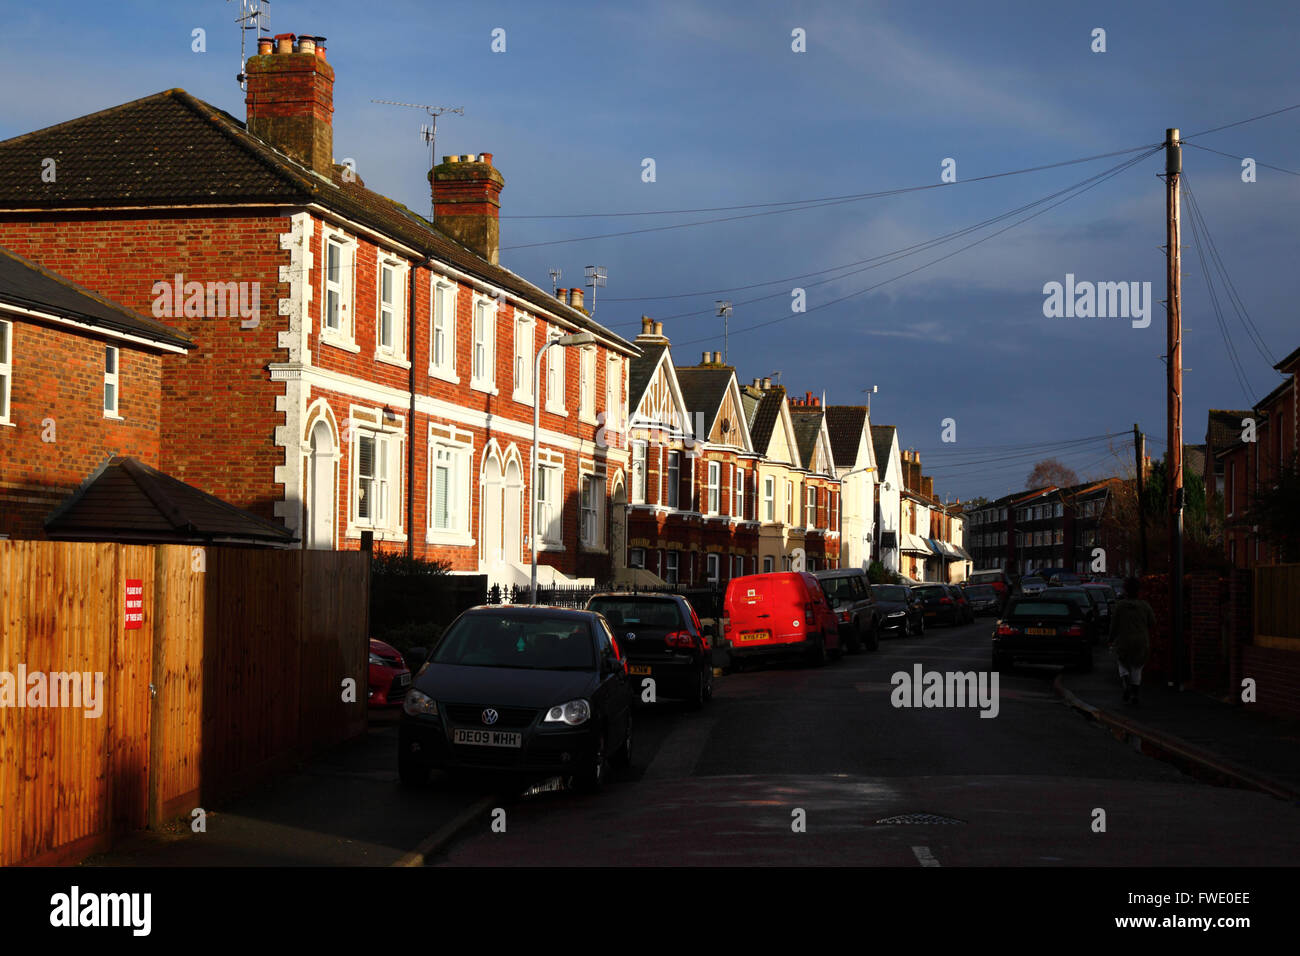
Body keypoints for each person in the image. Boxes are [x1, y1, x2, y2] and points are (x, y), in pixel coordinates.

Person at [1108, 577, 1155, 705]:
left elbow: (1114, 626)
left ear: (1125, 591)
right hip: (1141, 641)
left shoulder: (1120, 606)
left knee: (1122, 663)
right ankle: (1135, 693)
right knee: (1137, 667)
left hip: (1124, 641)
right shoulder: (1145, 606)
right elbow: (1152, 623)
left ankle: (1125, 680)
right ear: (1138, 590)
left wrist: (1110, 639)